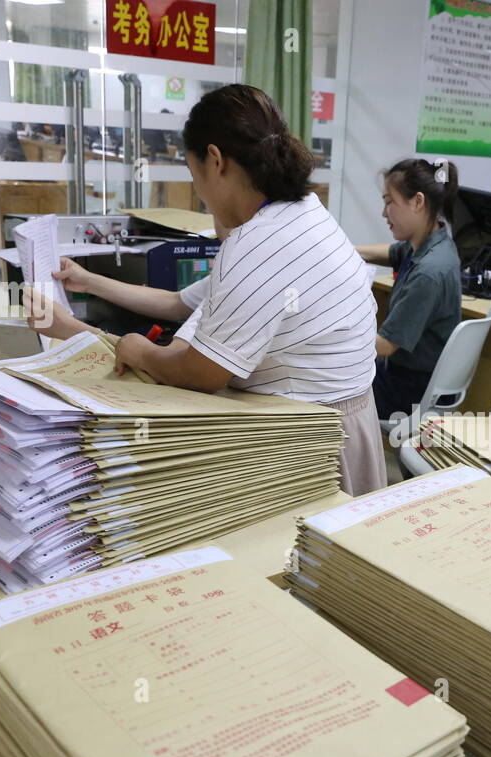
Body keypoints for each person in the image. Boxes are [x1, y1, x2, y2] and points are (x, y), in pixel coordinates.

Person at [23, 84, 386, 496]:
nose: (203, 197)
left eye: (195, 177)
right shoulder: (303, 214)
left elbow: (201, 374)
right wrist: (89, 281)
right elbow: (180, 303)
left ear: (215, 160)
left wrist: (134, 346)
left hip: (310, 438)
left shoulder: (258, 246)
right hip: (350, 419)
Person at [355, 158, 462, 421]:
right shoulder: (433, 244)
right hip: (411, 377)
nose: (384, 213)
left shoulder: (428, 272)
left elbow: (383, 346)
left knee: (326, 388)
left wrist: (330, 337)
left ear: (417, 202)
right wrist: (344, 250)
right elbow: (391, 253)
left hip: (409, 389)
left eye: (389, 202)